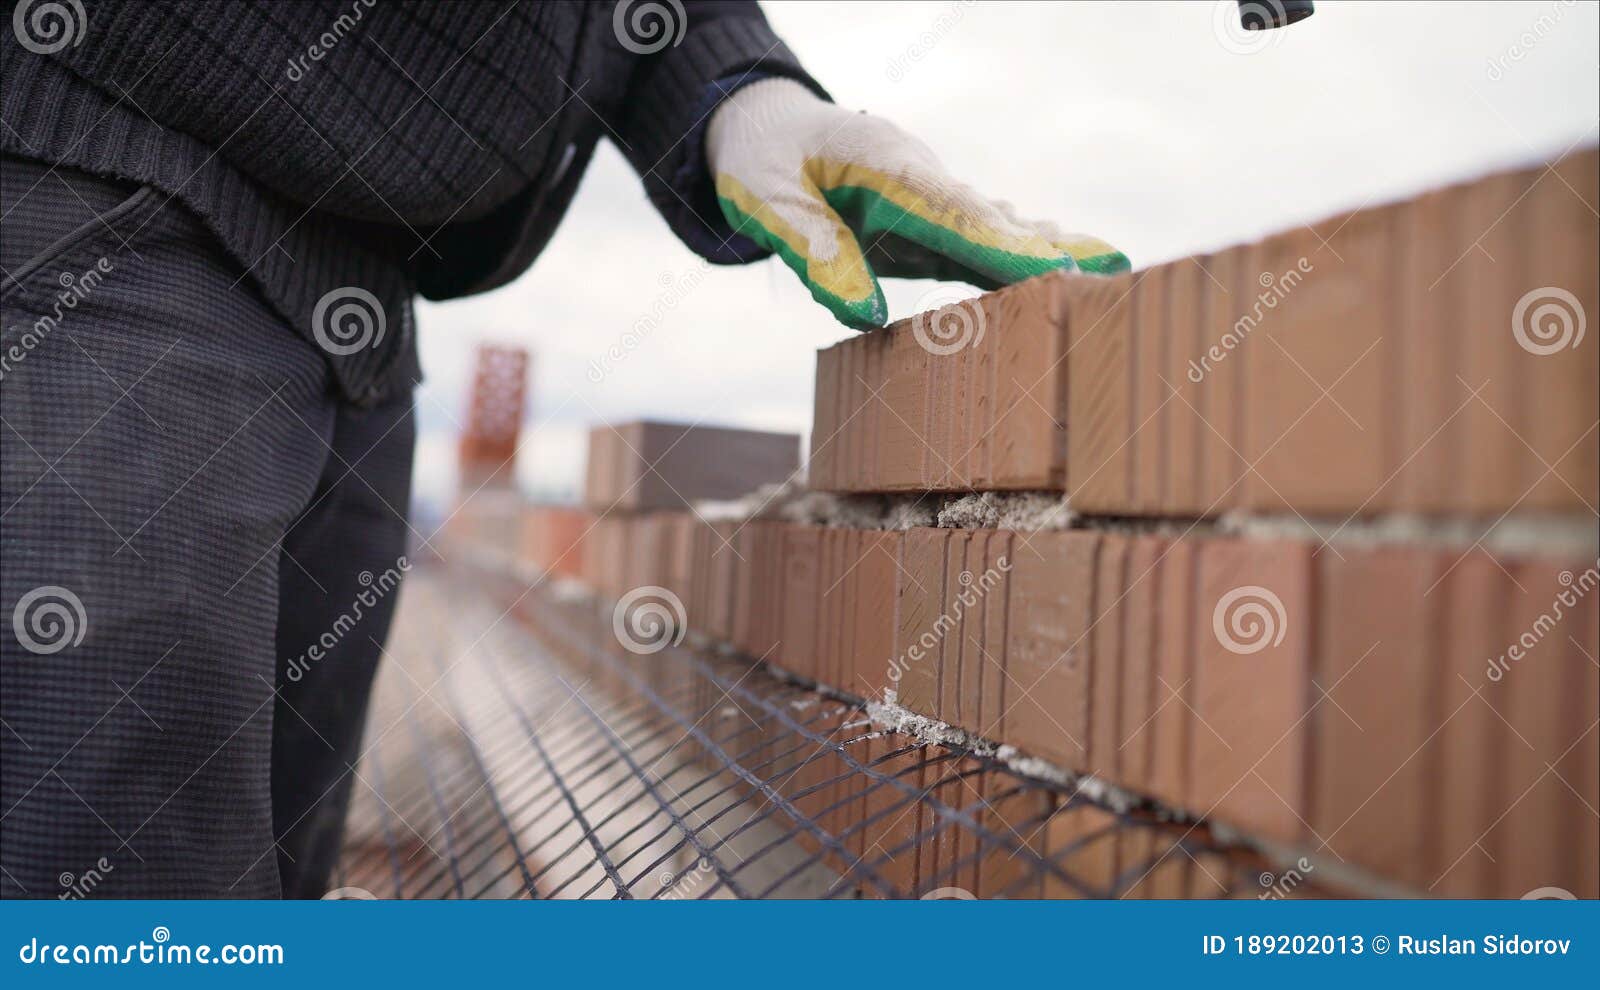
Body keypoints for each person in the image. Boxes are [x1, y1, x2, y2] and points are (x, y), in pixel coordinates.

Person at [0, 0, 1125, 898]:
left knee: (268, 874)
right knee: (112, 874)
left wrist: (743, 95)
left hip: (360, 295)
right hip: (99, 195)